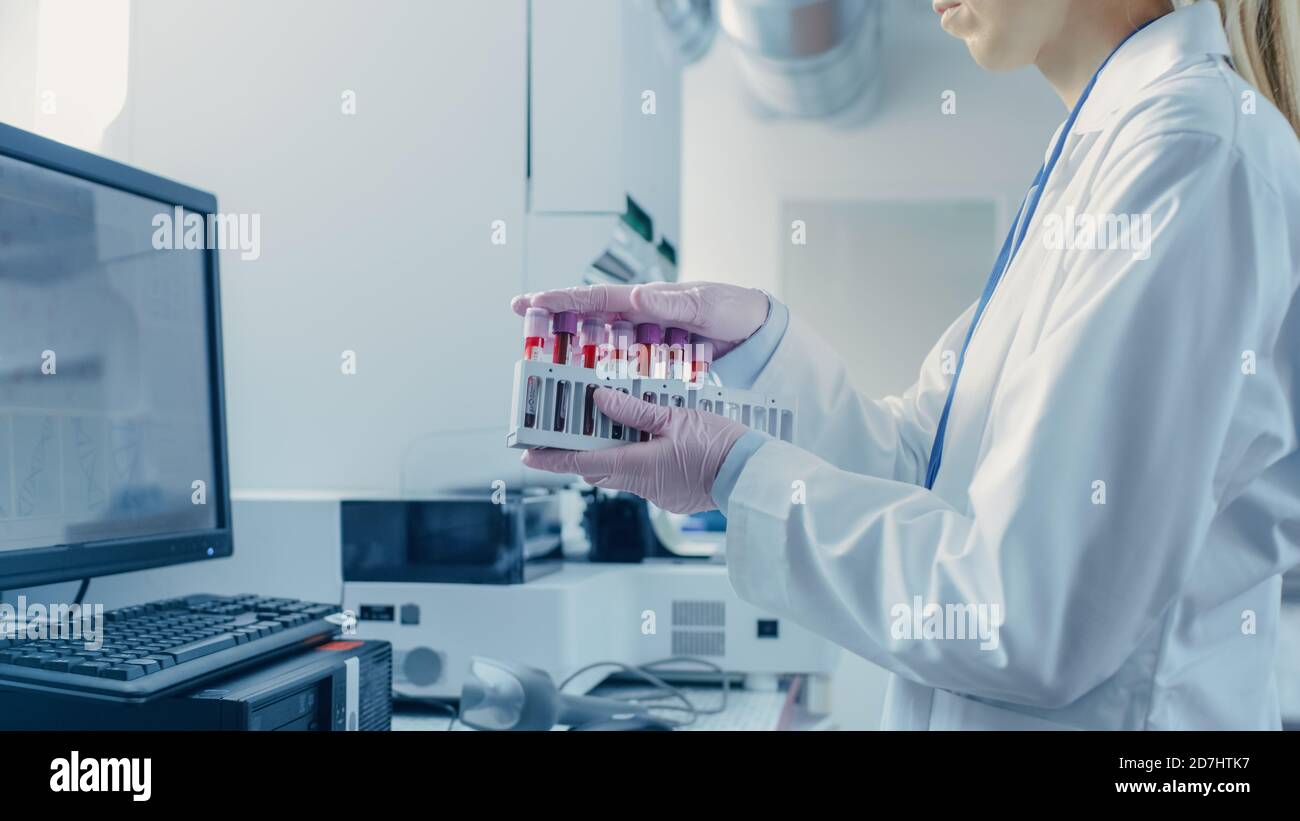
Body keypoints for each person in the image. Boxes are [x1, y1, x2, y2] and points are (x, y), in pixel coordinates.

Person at [512, 0, 1300, 730]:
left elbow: (1027, 615)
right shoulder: (1102, 158)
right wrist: (763, 345)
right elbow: (924, 473)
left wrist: (736, 474)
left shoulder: (1191, 151)